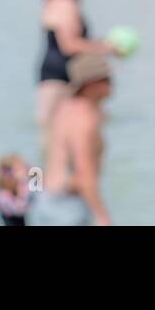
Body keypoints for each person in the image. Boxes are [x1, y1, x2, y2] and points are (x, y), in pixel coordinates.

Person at [36, 0, 116, 152]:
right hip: (62, 77)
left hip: (52, 74)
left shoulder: (51, 0)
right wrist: (106, 47)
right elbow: (69, 46)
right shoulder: (65, 3)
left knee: (52, 138)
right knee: (62, 139)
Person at [27, 54, 114, 226]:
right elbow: (84, 174)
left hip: (46, 200)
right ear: (91, 83)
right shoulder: (84, 119)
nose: (112, 84)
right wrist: (102, 216)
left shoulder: (65, 109)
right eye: (107, 79)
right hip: (67, 205)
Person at [0, 154, 30, 226]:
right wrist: (22, 188)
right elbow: (18, 209)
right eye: (18, 170)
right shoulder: (2, 196)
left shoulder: (19, 191)